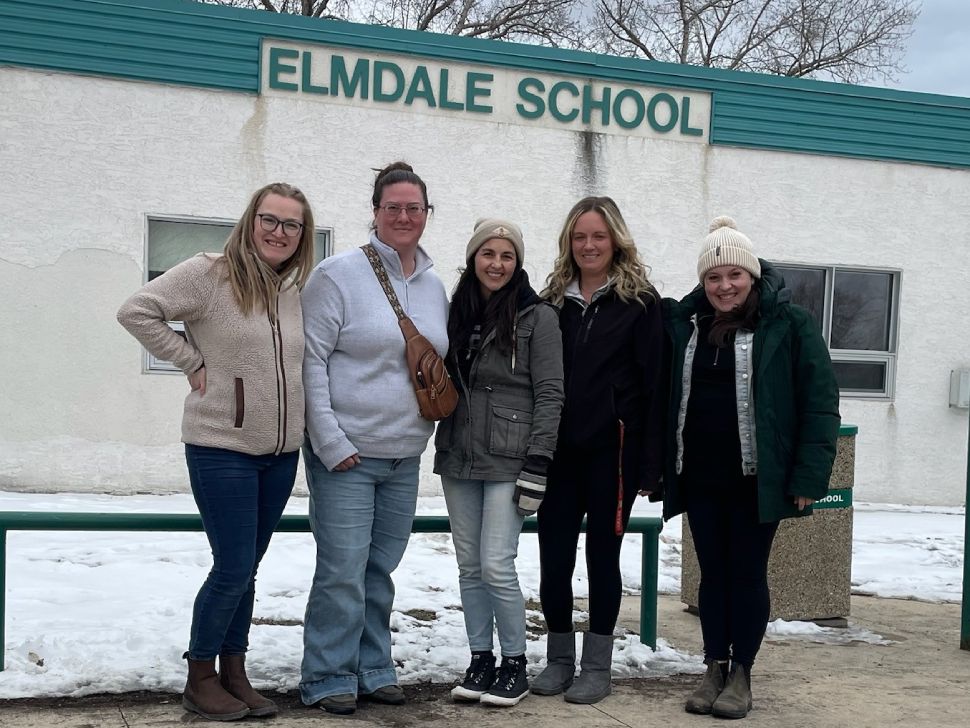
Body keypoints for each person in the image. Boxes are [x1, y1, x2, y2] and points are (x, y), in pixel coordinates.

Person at [117, 183, 316, 721]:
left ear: (303, 235)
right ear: (251, 221)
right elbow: (138, 310)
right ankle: (200, 676)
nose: (279, 232)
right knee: (231, 567)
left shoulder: (292, 288)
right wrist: (189, 361)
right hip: (220, 446)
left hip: (279, 452)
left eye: (291, 225)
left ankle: (235, 673)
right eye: (270, 220)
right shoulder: (210, 272)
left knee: (248, 567)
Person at [662, 216, 841, 719]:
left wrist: (808, 476)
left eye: (734, 275)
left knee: (746, 574)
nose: (724, 286)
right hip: (700, 475)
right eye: (713, 277)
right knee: (711, 576)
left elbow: (820, 402)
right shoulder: (686, 325)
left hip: (756, 479)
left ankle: (742, 673)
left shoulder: (789, 324)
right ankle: (713, 665)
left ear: (753, 275)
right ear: (703, 282)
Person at [299, 162, 449, 716]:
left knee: (378, 569)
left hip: (403, 454)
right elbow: (311, 362)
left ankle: (373, 667)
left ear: (427, 214)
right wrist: (330, 440)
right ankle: (327, 675)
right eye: (394, 208)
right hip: (347, 454)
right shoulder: (337, 275)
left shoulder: (434, 286)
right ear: (375, 212)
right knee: (341, 571)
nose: (404, 217)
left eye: (415, 208)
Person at [534, 196, 665, 705]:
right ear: (569, 242)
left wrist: (652, 466)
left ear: (616, 241)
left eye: (599, 236)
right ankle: (559, 659)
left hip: (614, 454)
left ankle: (596, 666)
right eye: (580, 236)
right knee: (553, 557)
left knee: (602, 558)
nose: (589, 245)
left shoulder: (640, 302)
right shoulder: (551, 301)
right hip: (559, 451)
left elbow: (655, 387)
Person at [434, 219, 564, 707]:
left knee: (496, 563)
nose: (496, 263)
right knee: (469, 565)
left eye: (507, 255)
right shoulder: (457, 311)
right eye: (487, 253)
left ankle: (515, 663)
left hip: (511, 455)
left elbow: (551, 393)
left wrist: (539, 462)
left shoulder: (537, 316)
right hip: (459, 451)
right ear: (473, 258)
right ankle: (480, 658)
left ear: (518, 263)